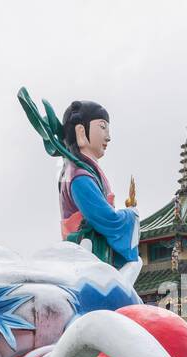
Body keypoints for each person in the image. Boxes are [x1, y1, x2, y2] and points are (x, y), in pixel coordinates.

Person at [18, 89, 138, 266]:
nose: (108, 137)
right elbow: (104, 217)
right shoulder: (79, 176)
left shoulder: (83, 170)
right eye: (102, 127)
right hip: (88, 256)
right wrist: (130, 215)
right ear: (81, 132)